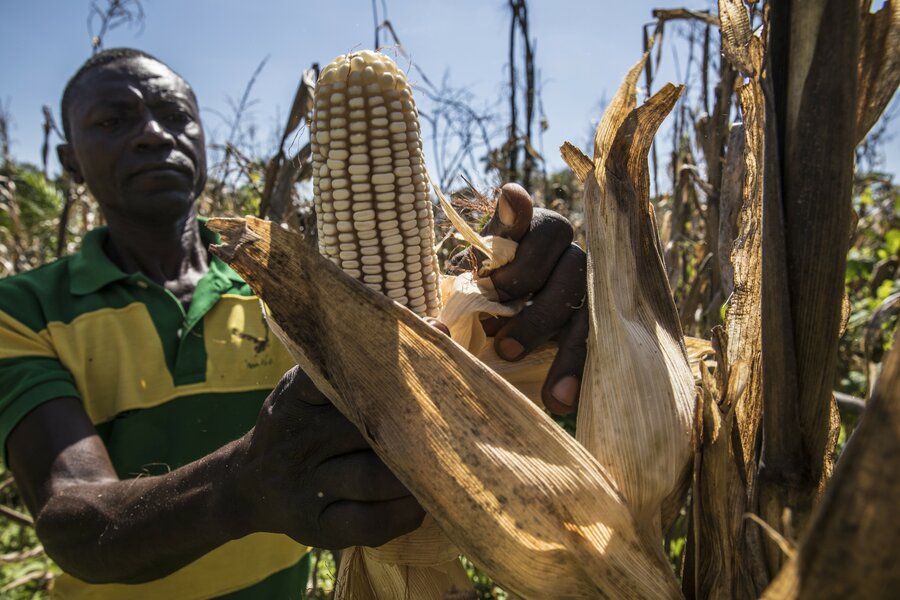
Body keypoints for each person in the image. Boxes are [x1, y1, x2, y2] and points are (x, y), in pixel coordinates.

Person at [0, 48, 588, 599]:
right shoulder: (22, 309)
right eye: (113, 120)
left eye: (175, 114)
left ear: (203, 140)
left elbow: (418, 381)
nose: (155, 133)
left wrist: (519, 308)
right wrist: (241, 488)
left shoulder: (291, 291)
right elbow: (72, 521)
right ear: (68, 159)